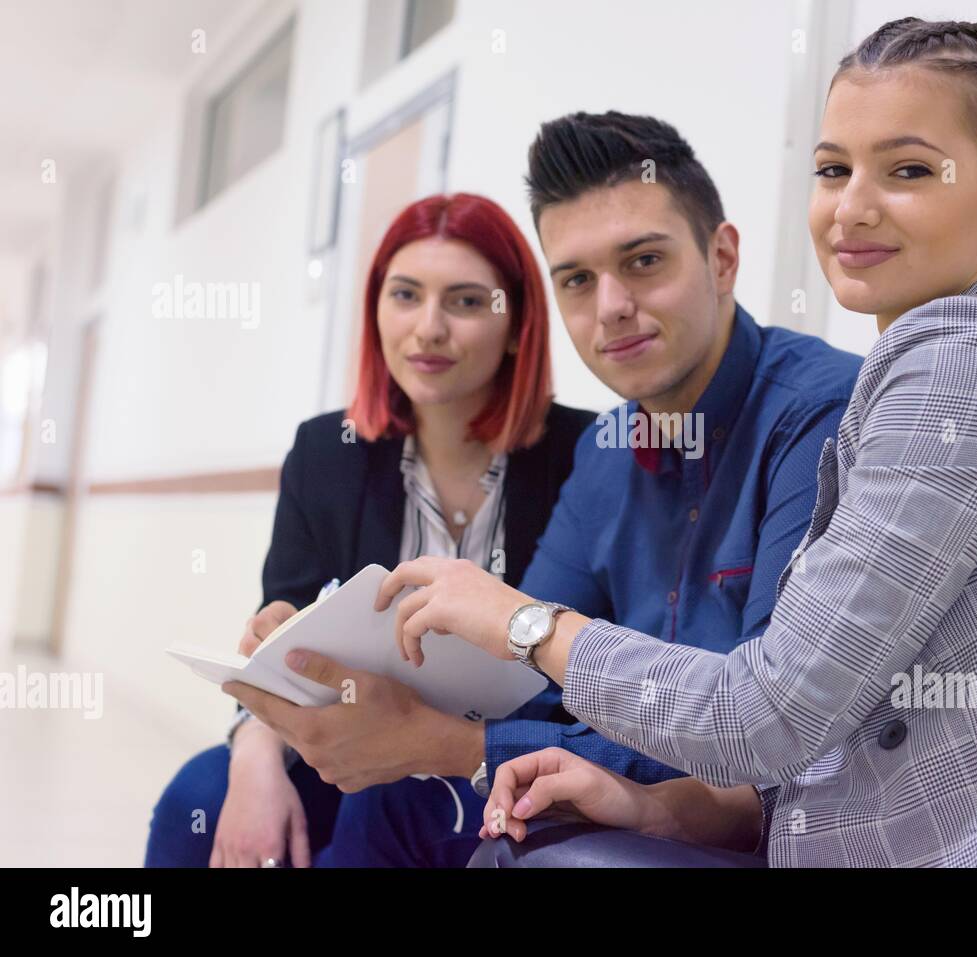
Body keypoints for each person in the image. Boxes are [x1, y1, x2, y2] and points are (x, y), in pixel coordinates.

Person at [371, 18, 977, 867]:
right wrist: (656, 805)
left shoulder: (962, 367)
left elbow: (764, 715)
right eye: (833, 169)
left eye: (910, 170)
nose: (853, 208)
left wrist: (524, 624)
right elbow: (811, 747)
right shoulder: (922, 371)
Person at [222, 111, 863, 866]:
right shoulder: (605, 452)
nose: (612, 306)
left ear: (722, 259)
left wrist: (453, 742)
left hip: (774, 825)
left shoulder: (820, 416)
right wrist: (337, 673)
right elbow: (527, 687)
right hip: (637, 790)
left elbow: (762, 735)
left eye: (645, 261)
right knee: (388, 799)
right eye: (578, 280)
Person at [145, 193, 595, 867]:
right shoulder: (329, 452)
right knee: (199, 798)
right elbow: (283, 634)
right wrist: (257, 759)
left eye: (468, 302)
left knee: (383, 806)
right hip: (347, 746)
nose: (429, 327)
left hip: (495, 759)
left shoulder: (584, 453)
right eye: (406, 295)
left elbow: (585, 679)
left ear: (516, 324)